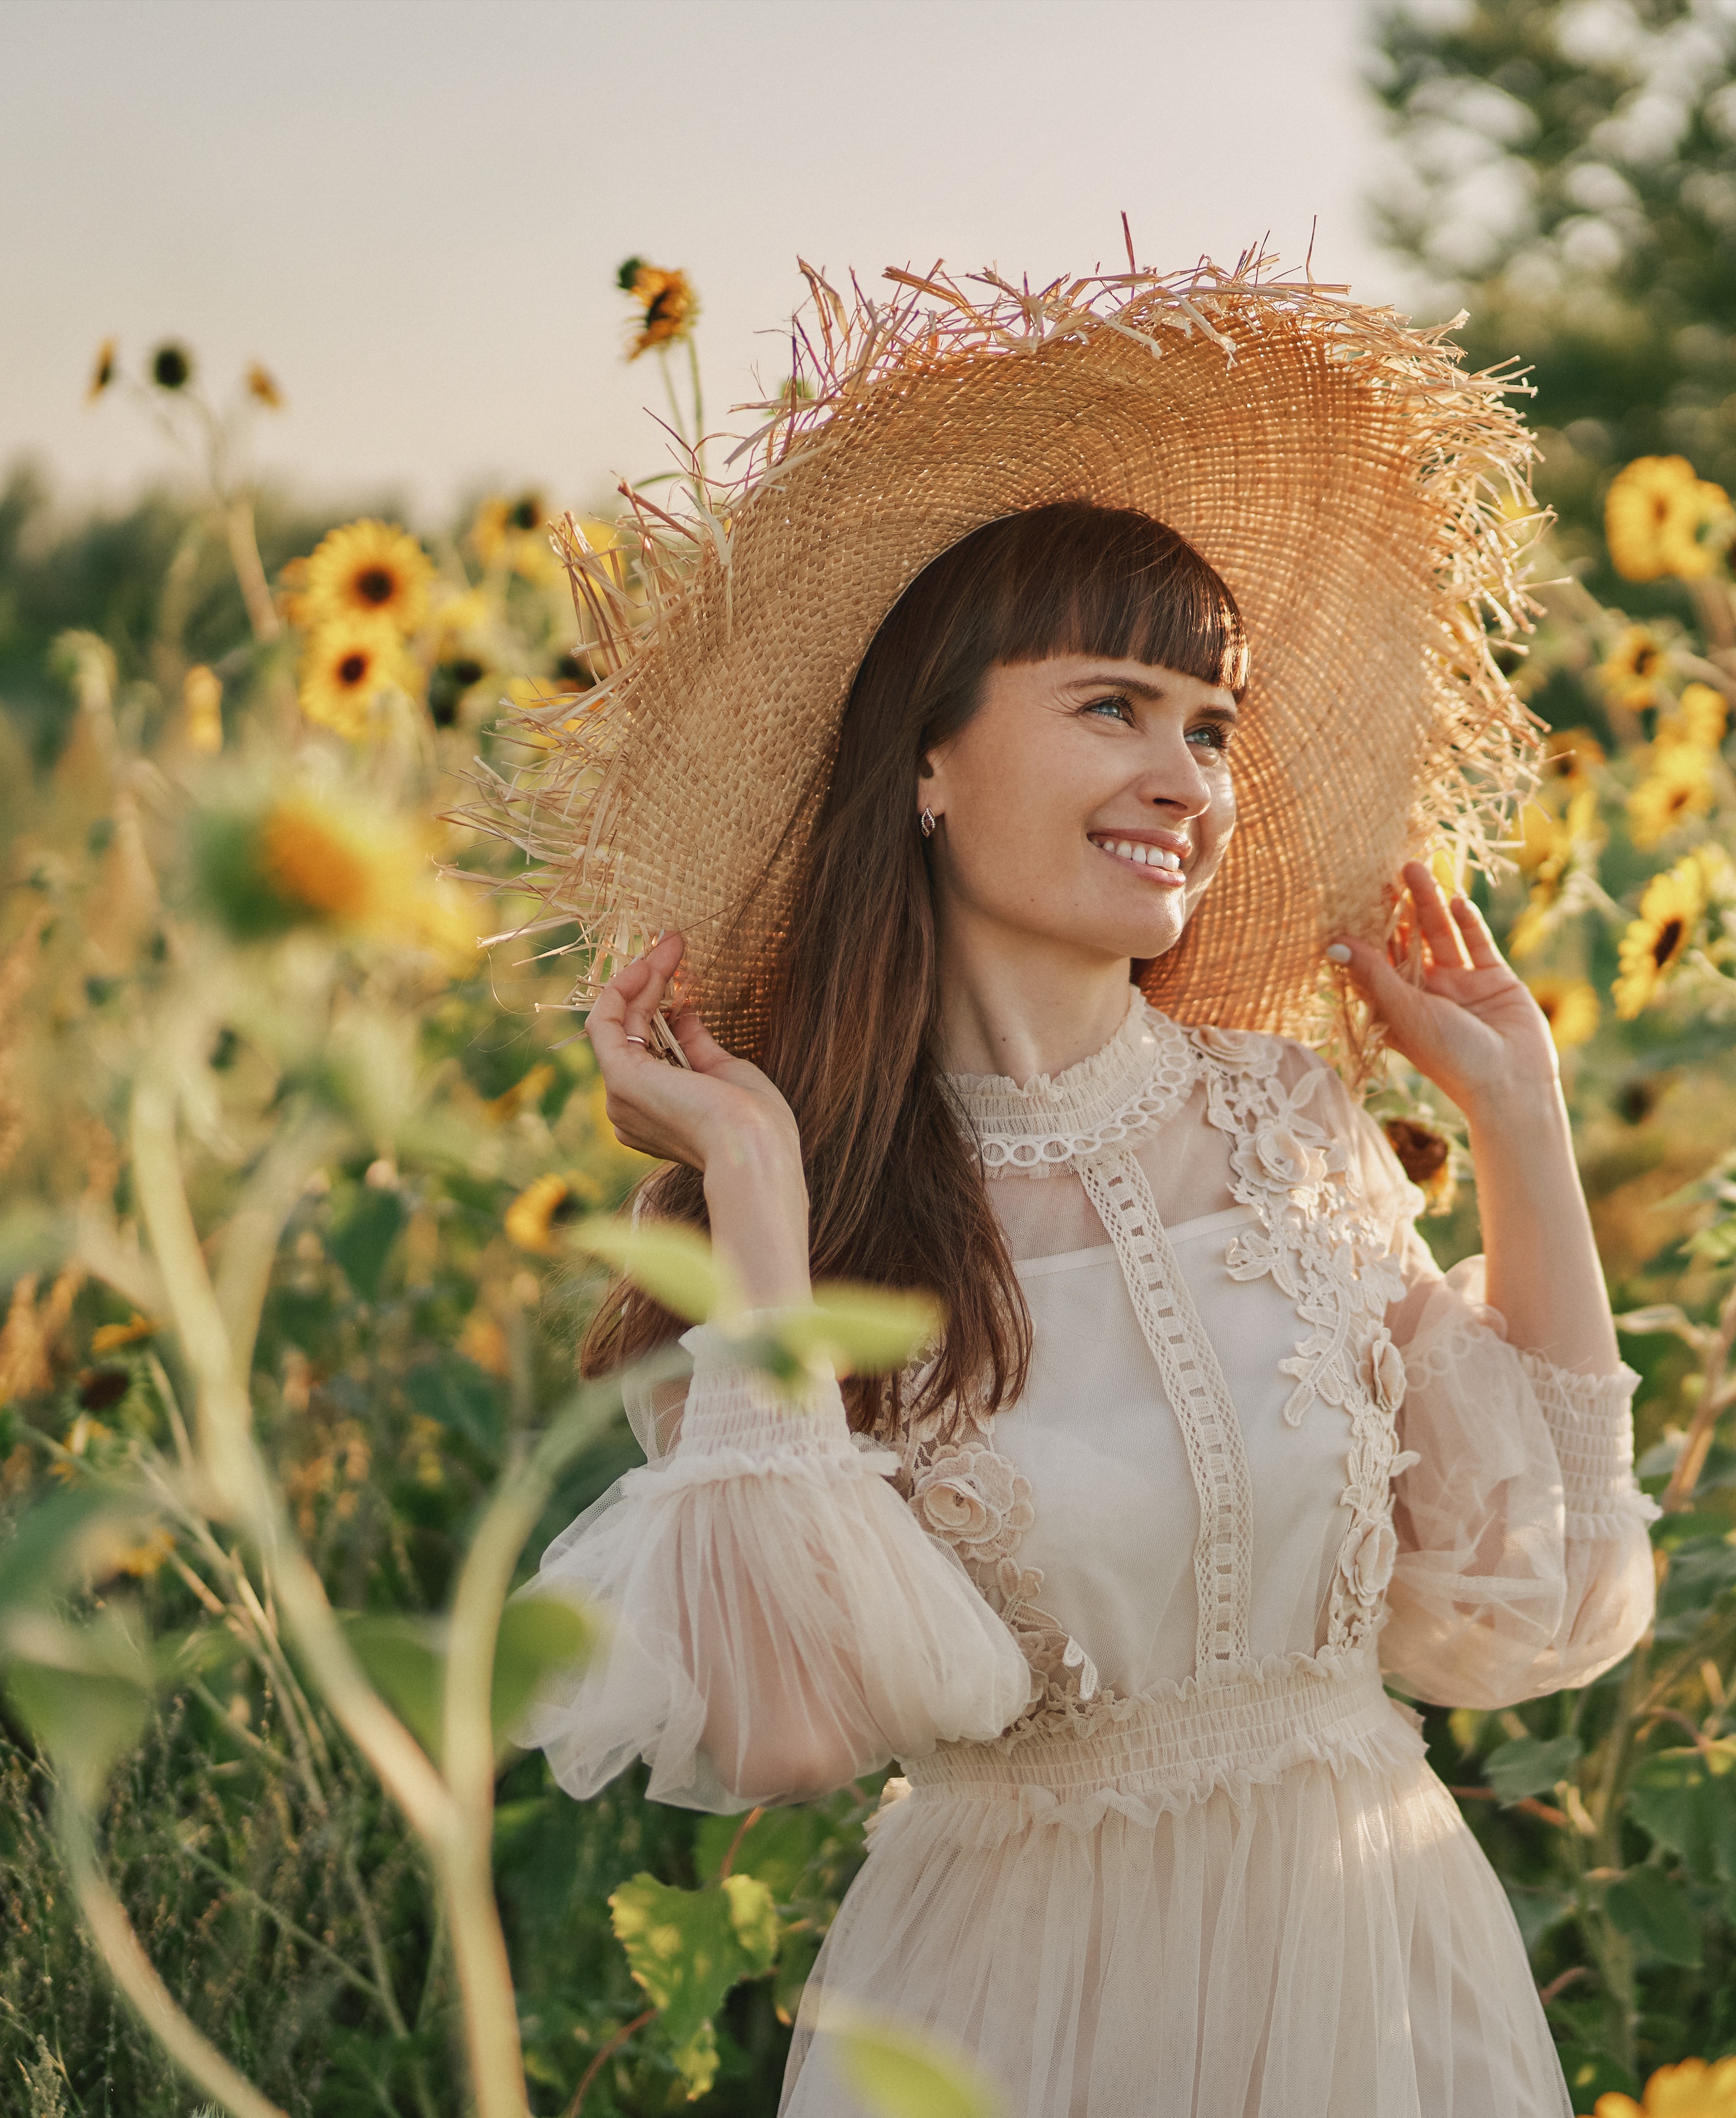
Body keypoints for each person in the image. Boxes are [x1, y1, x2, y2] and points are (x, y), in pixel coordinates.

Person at [479, 256, 1656, 2117]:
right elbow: (789, 1732)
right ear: (929, 760)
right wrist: (763, 1187)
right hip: (1007, 2028)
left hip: (1371, 1988)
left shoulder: (1288, 1128)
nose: (1186, 775)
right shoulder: (807, 1211)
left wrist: (1526, 1120)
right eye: (1116, 703)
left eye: (1214, 724)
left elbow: (1543, 1606)